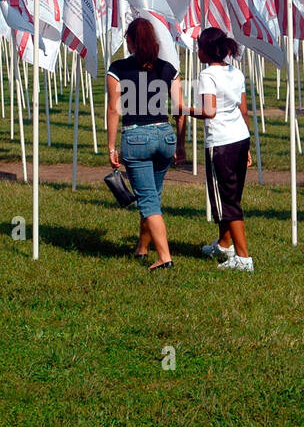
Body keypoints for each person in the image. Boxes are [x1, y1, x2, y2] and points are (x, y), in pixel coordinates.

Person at [106, 17, 186, 271]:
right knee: (151, 195)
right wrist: (181, 145)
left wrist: (111, 147)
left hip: (136, 136)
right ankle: (142, 248)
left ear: (130, 42)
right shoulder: (168, 68)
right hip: (165, 136)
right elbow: (179, 111)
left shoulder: (117, 69)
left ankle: (165, 257)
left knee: (148, 200)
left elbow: (113, 109)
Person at [187, 27, 255, 273]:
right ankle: (224, 244)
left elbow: (209, 111)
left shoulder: (207, 75)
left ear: (206, 50)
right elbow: (243, 110)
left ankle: (244, 258)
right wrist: (247, 147)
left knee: (227, 200)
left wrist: (183, 109)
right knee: (231, 196)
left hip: (221, 143)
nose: (197, 51)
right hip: (240, 138)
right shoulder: (236, 72)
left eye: (198, 47)